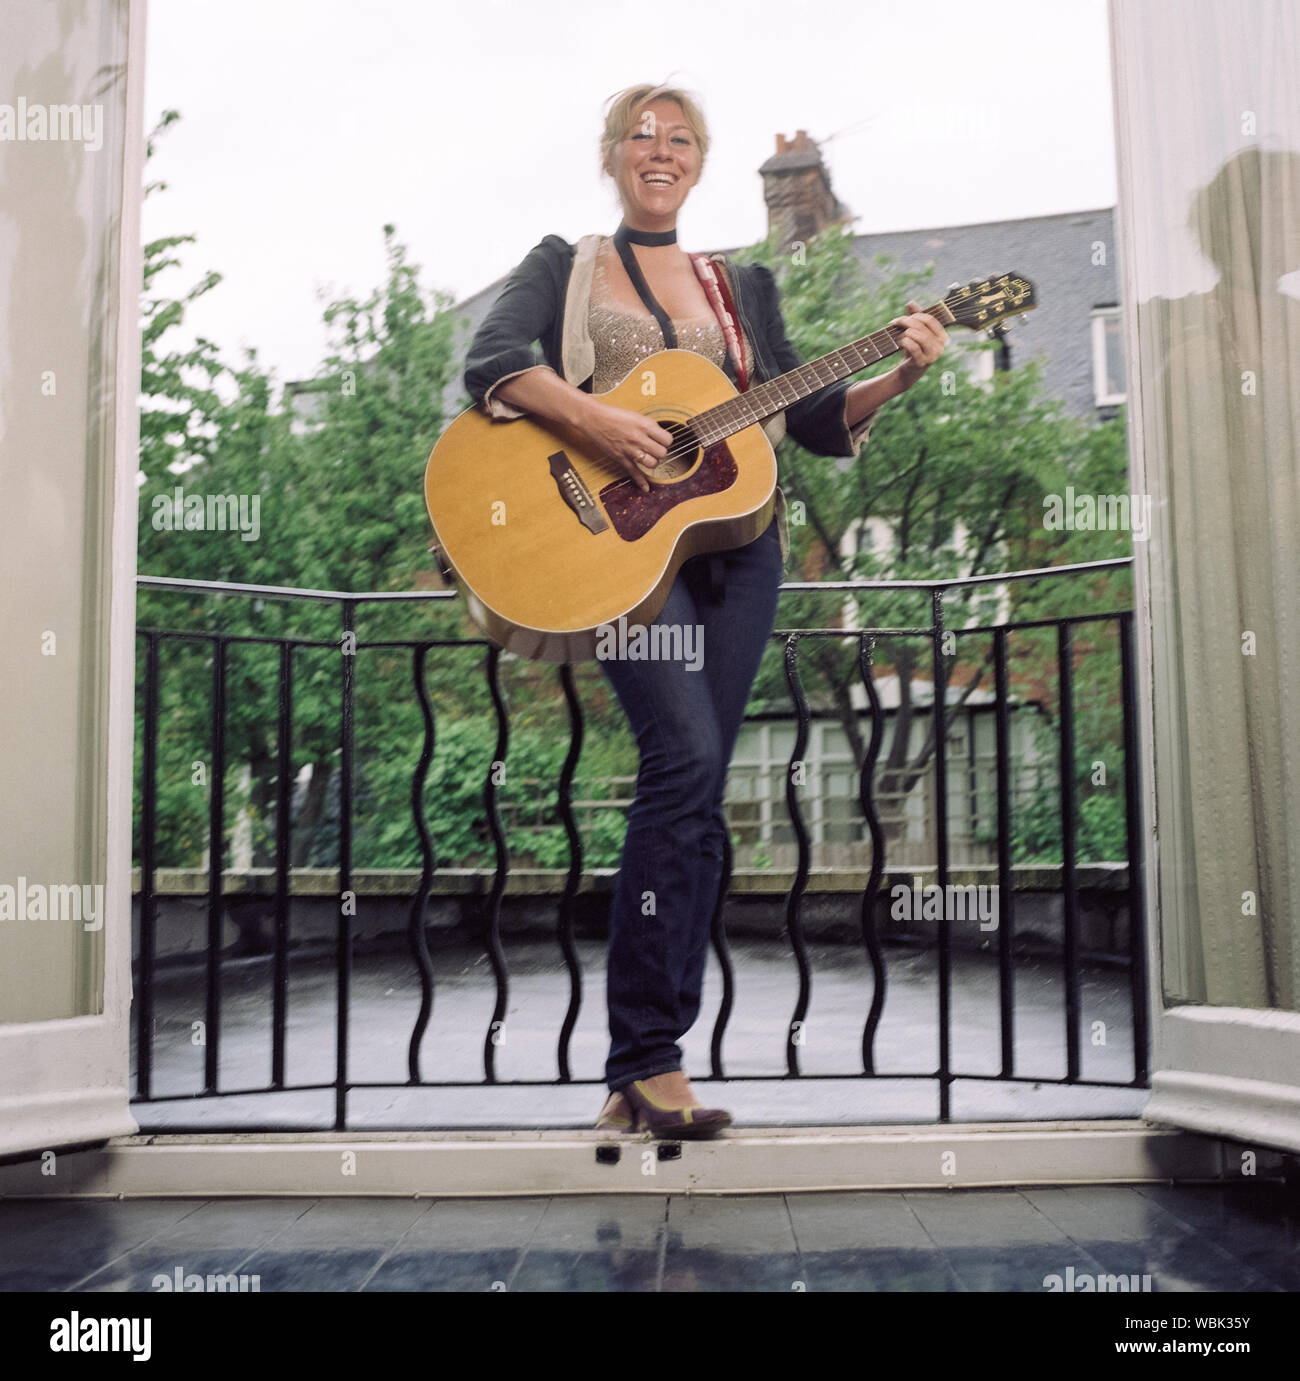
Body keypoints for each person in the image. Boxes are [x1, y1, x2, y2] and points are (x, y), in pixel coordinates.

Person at [462, 83, 947, 1137]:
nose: (660, 149)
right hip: (622, 554)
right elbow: (493, 364)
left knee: (696, 793)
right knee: (680, 761)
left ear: (699, 163)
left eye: (679, 138)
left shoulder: (740, 286)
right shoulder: (567, 263)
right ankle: (646, 1057)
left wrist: (898, 376)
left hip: (738, 547)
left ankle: (644, 1066)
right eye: (642, 134)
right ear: (611, 156)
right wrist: (599, 421)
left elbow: (809, 417)